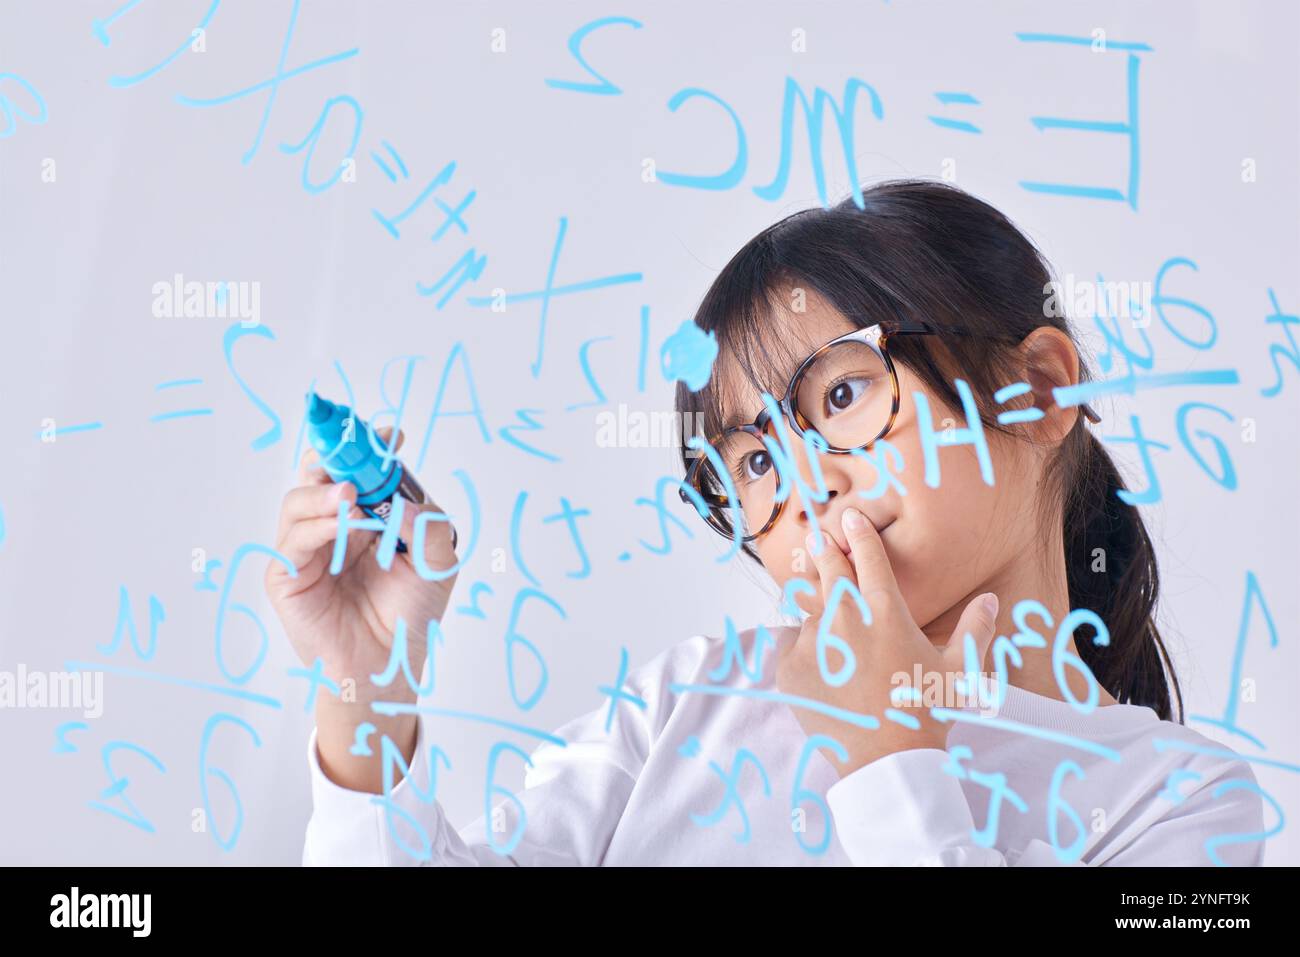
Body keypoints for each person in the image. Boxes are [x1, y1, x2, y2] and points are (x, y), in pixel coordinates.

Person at [265, 179, 1267, 866]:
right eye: (749, 460)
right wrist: (364, 693)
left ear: (1039, 393)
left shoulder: (1180, 802)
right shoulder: (684, 704)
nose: (803, 484)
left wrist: (887, 760)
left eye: (839, 399)